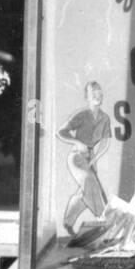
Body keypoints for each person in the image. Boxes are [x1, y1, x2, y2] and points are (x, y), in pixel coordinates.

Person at [58, 81, 113, 233]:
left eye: (99, 90)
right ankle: (102, 217)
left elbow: (105, 142)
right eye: (92, 92)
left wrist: (95, 159)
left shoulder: (105, 118)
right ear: (87, 97)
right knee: (89, 182)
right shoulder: (81, 115)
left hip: (91, 158)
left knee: (85, 192)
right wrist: (78, 142)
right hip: (77, 157)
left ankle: (68, 223)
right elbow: (61, 132)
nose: (97, 94)